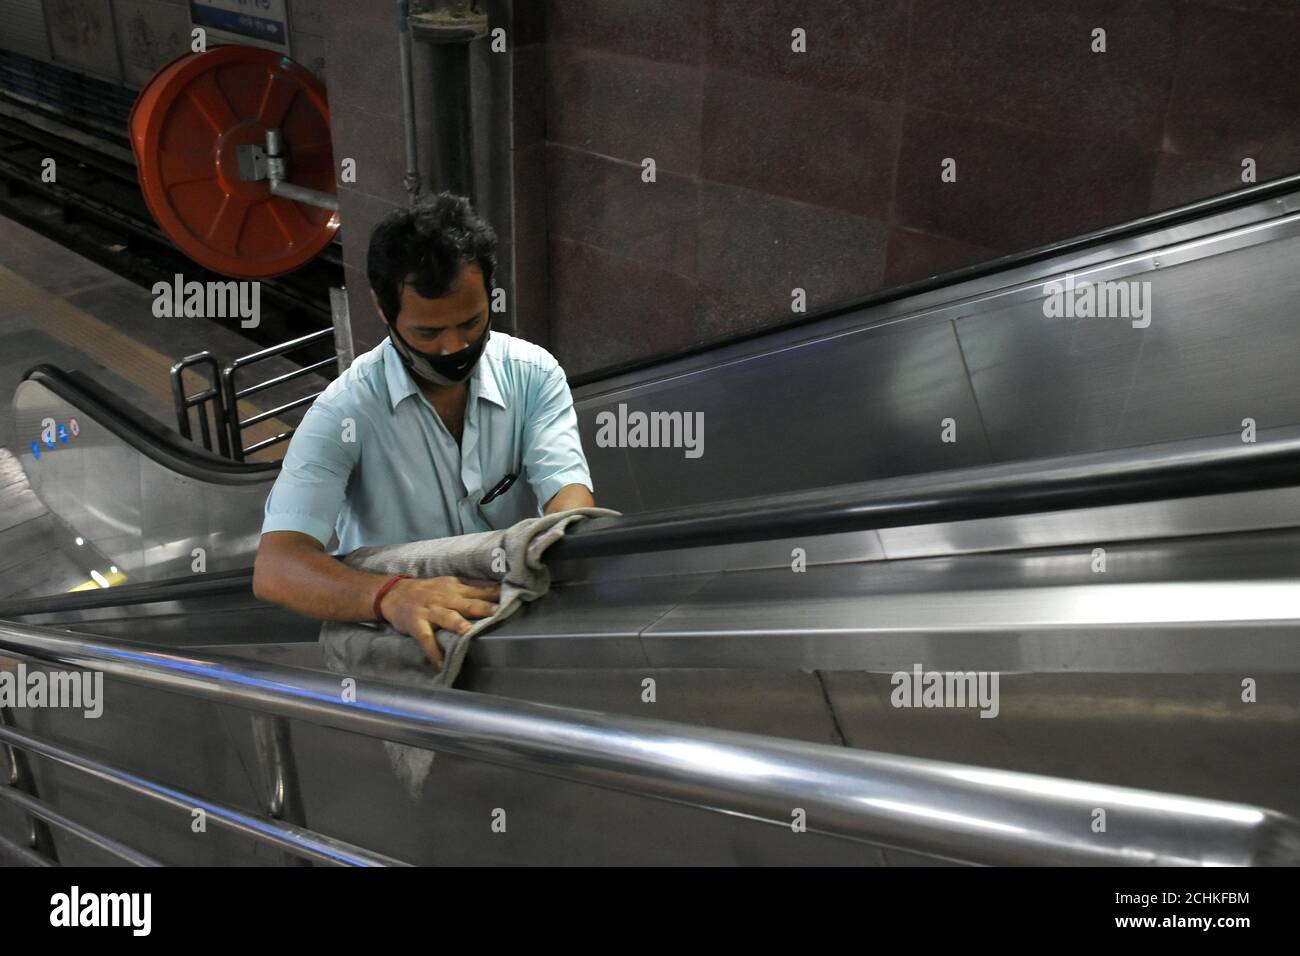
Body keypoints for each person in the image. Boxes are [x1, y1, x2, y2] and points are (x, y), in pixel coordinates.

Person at [253, 193, 595, 667]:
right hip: (410, 641)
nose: (455, 346)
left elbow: (568, 496)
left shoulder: (534, 374)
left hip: (511, 621)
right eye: (428, 334)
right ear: (382, 309)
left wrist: (567, 539)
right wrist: (390, 596)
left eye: (472, 323)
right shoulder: (343, 413)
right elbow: (277, 567)